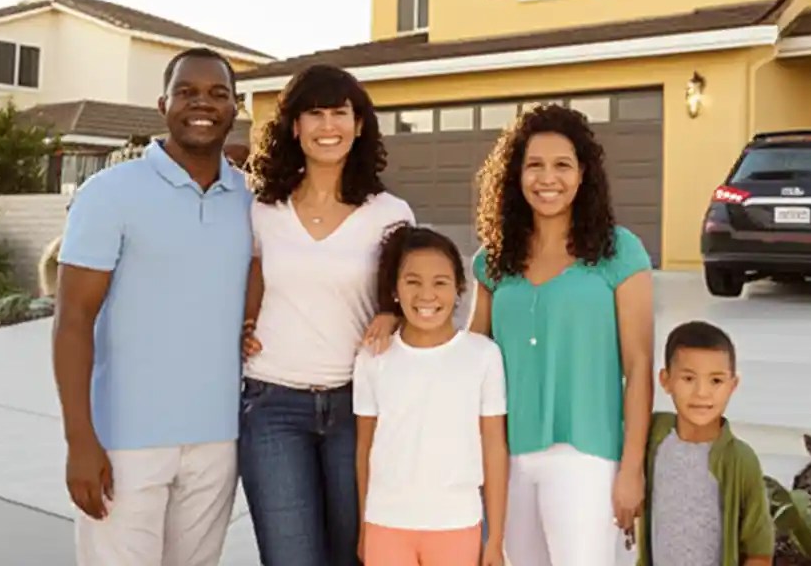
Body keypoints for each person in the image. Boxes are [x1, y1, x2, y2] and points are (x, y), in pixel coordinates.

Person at [52, 47, 252, 566]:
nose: (202, 103)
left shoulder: (250, 199)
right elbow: (73, 320)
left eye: (218, 93)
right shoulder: (108, 193)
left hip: (217, 439)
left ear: (235, 107)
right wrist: (79, 440)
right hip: (125, 442)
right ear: (163, 104)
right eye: (187, 92)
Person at [238, 63, 415, 566]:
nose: (328, 126)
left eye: (340, 113)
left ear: (359, 125)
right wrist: (242, 324)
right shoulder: (261, 209)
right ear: (294, 126)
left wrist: (393, 315)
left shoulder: (390, 213)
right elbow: (250, 277)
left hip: (356, 406)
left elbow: (414, 296)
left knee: (355, 554)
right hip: (272, 405)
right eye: (314, 114)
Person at [472, 104, 654, 566]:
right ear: (516, 174)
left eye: (562, 165)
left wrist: (632, 468)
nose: (547, 178)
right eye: (534, 165)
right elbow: (470, 359)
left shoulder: (620, 252)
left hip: (586, 457)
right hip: (509, 458)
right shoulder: (493, 260)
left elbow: (638, 366)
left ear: (583, 173)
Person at [354, 225, 509, 566]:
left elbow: (494, 449)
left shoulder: (482, 356)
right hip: (386, 523)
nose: (427, 295)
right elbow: (365, 448)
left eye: (440, 283)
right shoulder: (373, 358)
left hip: (456, 523)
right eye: (413, 282)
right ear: (395, 290)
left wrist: (496, 537)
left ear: (458, 289)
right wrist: (365, 526)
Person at [638, 321, 774, 566]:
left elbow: (759, 551)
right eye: (689, 378)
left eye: (716, 381)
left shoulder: (741, 460)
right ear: (666, 380)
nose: (702, 392)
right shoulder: (653, 436)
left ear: (732, 385)